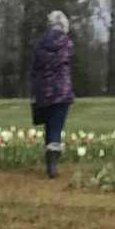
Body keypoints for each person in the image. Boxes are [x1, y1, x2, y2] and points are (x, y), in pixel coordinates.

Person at [30, 11, 73, 179]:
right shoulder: (67, 43)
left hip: (43, 90)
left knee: (49, 125)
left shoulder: (39, 44)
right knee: (56, 126)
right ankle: (53, 165)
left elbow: (34, 68)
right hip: (62, 90)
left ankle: (49, 164)